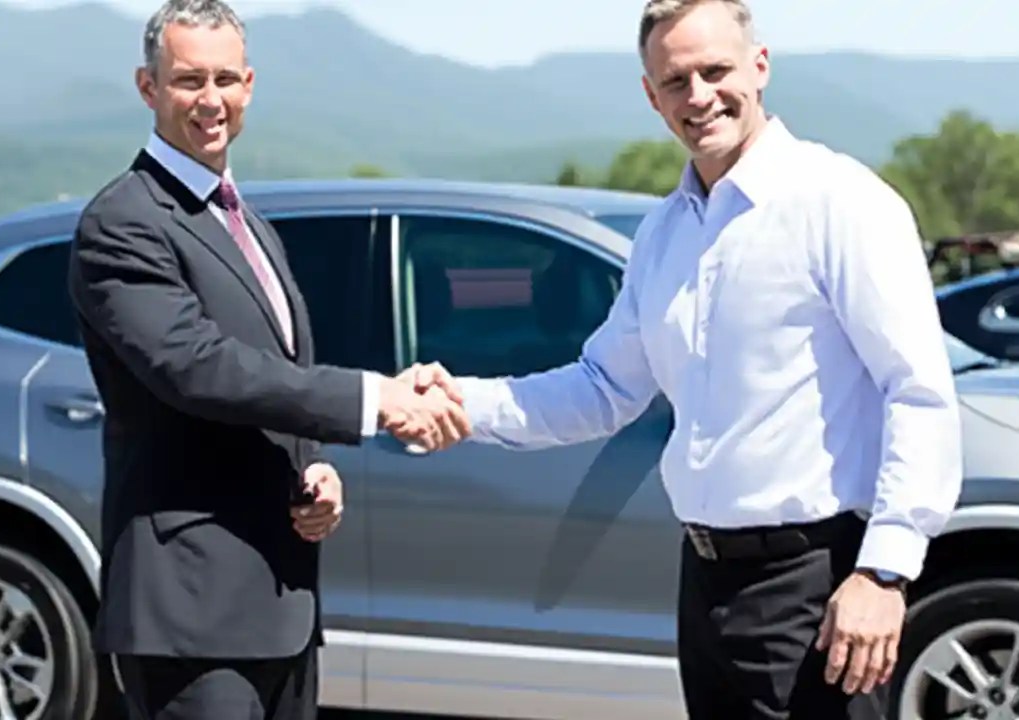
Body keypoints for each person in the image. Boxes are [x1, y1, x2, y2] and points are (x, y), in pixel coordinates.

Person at [405, 0, 963, 717]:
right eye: (675, 81)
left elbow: (916, 391)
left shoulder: (841, 203)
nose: (699, 96)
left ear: (760, 67)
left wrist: (884, 572)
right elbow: (602, 387)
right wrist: (461, 403)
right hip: (703, 584)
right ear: (651, 95)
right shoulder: (664, 231)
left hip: (816, 586)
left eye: (715, 71)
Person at [66, 1, 468, 718]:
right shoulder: (123, 220)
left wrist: (312, 466)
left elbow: (272, 375)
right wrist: (375, 400)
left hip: (282, 601)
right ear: (148, 87)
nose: (210, 100)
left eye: (225, 79)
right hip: (190, 612)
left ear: (248, 85)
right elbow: (197, 367)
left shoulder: (246, 222)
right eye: (189, 80)